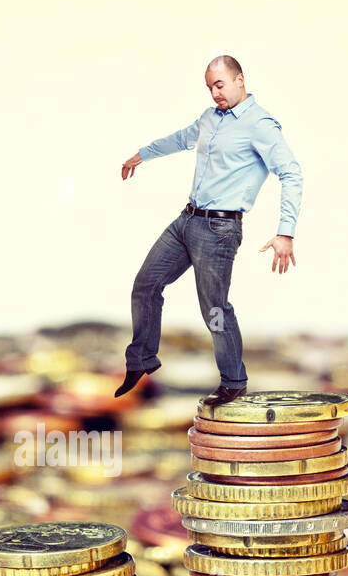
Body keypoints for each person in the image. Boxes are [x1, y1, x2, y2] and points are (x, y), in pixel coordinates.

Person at [117, 55, 302, 407]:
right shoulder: (209, 118)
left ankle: (233, 382)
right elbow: (180, 139)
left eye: (220, 85)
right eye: (209, 88)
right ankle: (141, 358)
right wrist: (142, 155)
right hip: (186, 220)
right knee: (145, 285)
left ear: (239, 80)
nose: (215, 93)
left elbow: (291, 173)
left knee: (215, 311)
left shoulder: (261, 125)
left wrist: (286, 232)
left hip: (219, 229)